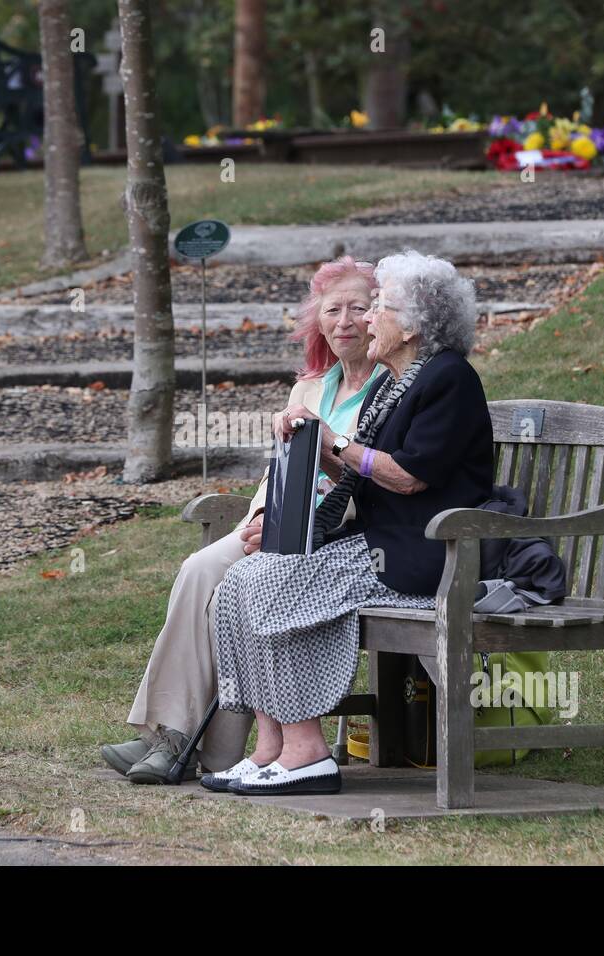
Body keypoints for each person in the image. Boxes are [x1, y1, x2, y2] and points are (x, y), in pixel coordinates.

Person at [208, 250, 494, 796]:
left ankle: (308, 753)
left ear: (412, 323)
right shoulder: (395, 381)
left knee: (273, 581)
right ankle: (271, 751)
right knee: (240, 582)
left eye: (377, 307)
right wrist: (310, 443)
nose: (365, 320)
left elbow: (408, 477)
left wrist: (335, 437)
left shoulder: (448, 379)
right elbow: (360, 472)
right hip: (384, 543)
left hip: (431, 551)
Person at [102, 256, 386, 785]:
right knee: (199, 568)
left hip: (337, 537)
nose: (345, 320)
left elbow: (375, 483)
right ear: (317, 320)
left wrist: (291, 528)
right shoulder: (310, 388)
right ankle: (169, 734)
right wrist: (261, 518)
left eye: (359, 308)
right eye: (333, 309)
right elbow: (279, 470)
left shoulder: (391, 390)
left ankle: (199, 749)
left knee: (237, 584)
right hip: (278, 528)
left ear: (380, 315)